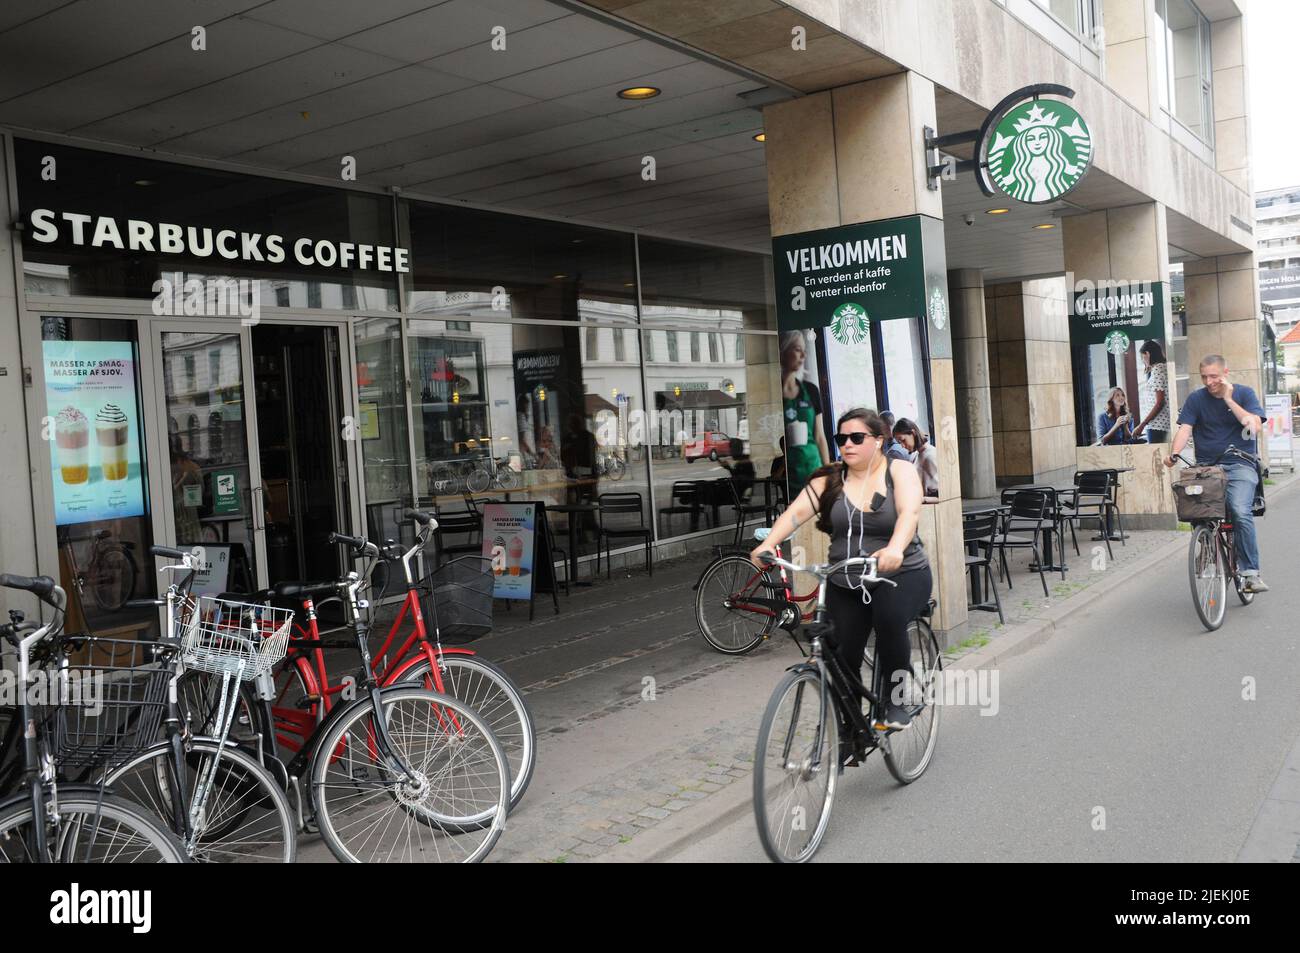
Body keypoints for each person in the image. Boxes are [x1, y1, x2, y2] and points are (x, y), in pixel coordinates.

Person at [751, 408, 931, 741]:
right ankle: (848, 728)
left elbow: (910, 512)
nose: (847, 444)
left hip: (900, 572)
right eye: (841, 438)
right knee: (838, 652)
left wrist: (894, 549)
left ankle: (896, 700)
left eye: (856, 438)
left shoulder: (899, 471)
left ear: (878, 441)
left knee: (889, 618)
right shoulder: (830, 479)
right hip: (844, 576)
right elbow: (795, 514)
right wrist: (769, 545)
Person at [1164, 355, 1268, 593]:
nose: (1209, 382)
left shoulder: (1244, 394)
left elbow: (1254, 426)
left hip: (1241, 465)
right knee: (1195, 508)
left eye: (1214, 376)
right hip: (1207, 468)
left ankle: (1250, 573)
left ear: (1225, 372)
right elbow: (1185, 429)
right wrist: (1174, 454)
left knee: (1240, 511)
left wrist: (1228, 399)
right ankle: (1207, 550)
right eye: (1204, 377)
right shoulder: (1195, 399)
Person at [780, 331, 830, 499]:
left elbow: (819, 436)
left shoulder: (810, 390)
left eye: (804, 350)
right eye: (796, 349)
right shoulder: (772, 395)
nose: (803, 354)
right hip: (790, 475)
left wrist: (828, 472)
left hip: (813, 470)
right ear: (783, 352)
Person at [1132, 340, 1171, 444]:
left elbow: (1159, 403)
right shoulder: (1164, 367)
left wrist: (1142, 425)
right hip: (1164, 424)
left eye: (1142, 357)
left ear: (1148, 354)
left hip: (1157, 426)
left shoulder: (1157, 369)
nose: (1143, 361)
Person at [893, 418, 939, 497]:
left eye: (903, 440)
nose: (902, 446)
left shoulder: (930, 455)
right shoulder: (916, 455)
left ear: (913, 433)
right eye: (900, 443)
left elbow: (943, 494)